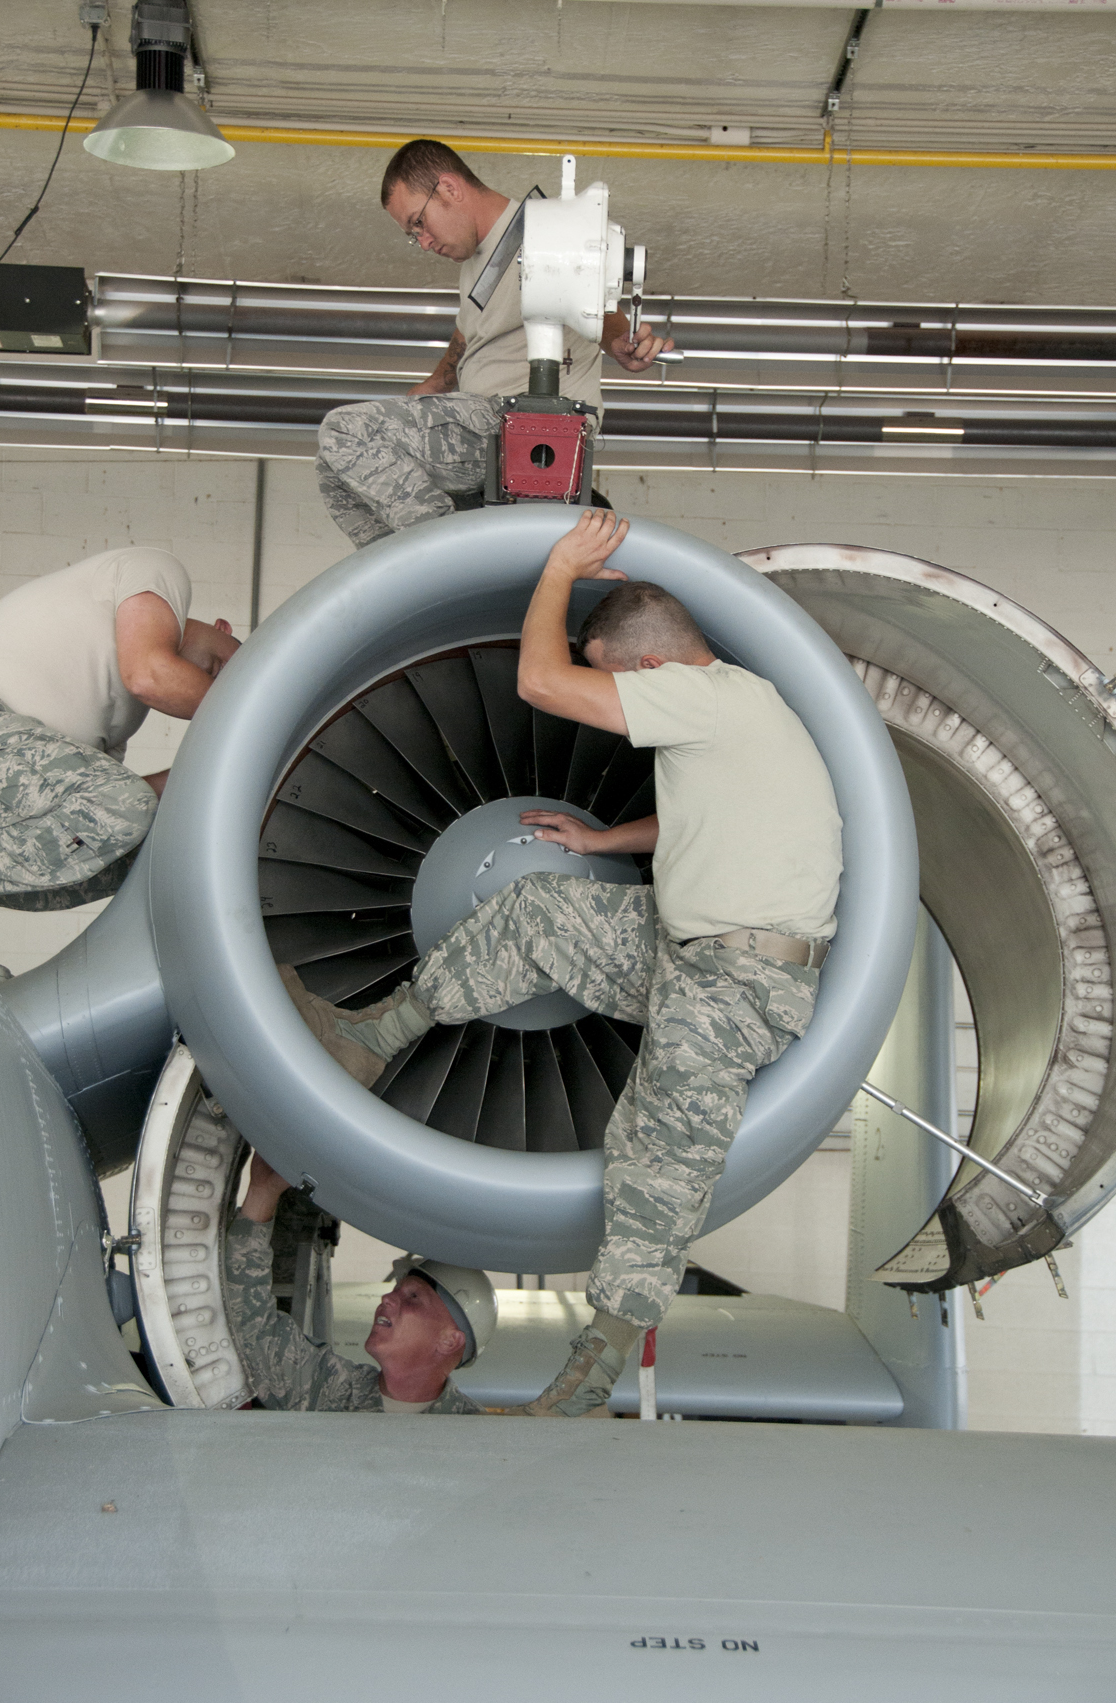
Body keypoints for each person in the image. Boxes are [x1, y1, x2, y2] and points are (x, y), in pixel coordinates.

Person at [287, 510, 843, 1417]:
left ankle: (590, 1379)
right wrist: (600, 840)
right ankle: (373, 1039)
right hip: (687, 948)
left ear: (651, 668)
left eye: (612, 682)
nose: (610, 705)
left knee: (656, 1153)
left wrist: (559, 568)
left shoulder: (704, 695)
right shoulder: (735, 717)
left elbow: (541, 682)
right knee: (541, 910)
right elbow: (698, 818)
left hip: (741, 982)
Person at [315, 138, 674, 548]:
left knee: (344, 431)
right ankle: (400, 566)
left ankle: (442, 552)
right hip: (478, 421)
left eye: (419, 223)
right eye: (414, 235)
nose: (424, 242)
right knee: (331, 468)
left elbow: (594, 300)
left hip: (515, 422)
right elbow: (469, 331)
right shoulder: (476, 261)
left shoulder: (544, 232)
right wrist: (436, 383)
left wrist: (622, 343)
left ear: (449, 188)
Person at [0, 546, 238, 923]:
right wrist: (252, 728)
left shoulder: (121, 719)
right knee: (126, 803)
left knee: (140, 847)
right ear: (223, 628)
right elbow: (149, 674)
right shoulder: (156, 569)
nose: (230, 681)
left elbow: (105, 811)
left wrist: (201, 771)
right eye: (240, 666)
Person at [225, 1148, 496, 1413]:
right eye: (396, 1290)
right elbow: (252, 1326)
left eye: (414, 1297)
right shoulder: (327, 1388)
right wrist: (262, 1192)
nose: (387, 1298)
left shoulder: (477, 1434)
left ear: (449, 1341)